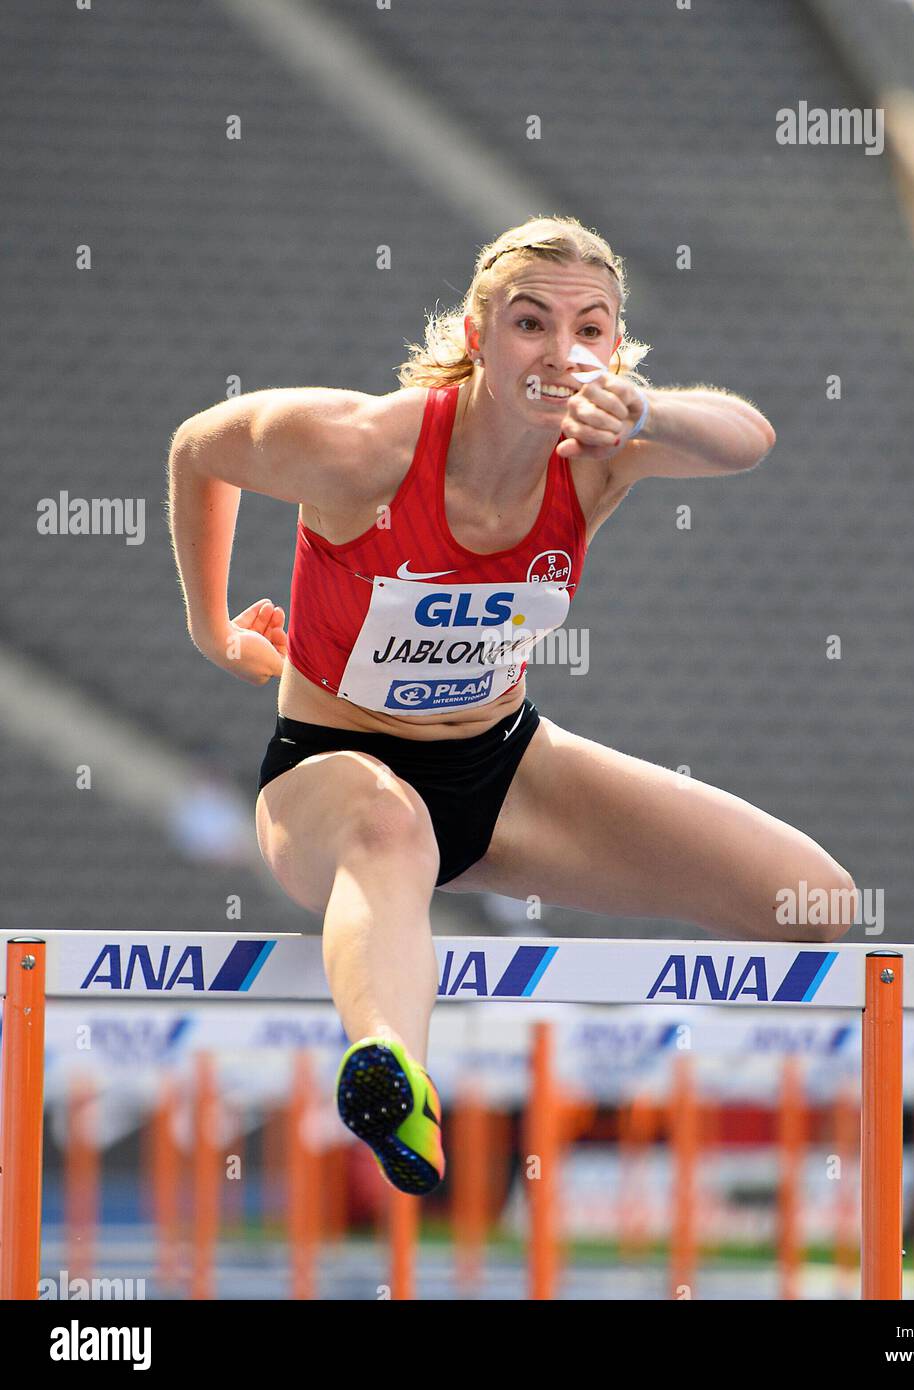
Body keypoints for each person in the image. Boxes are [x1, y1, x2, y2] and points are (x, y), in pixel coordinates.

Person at [168, 215, 856, 1195]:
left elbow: (749, 440)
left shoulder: (598, 456)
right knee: (388, 824)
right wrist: (212, 630)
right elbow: (199, 447)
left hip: (504, 770)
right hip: (332, 772)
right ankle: (391, 1076)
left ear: (614, 348)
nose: (561, 353)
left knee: (814, 903)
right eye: (531, 324)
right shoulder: (362, 447)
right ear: (476, 335)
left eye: (590, 329)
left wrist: (648, 411)